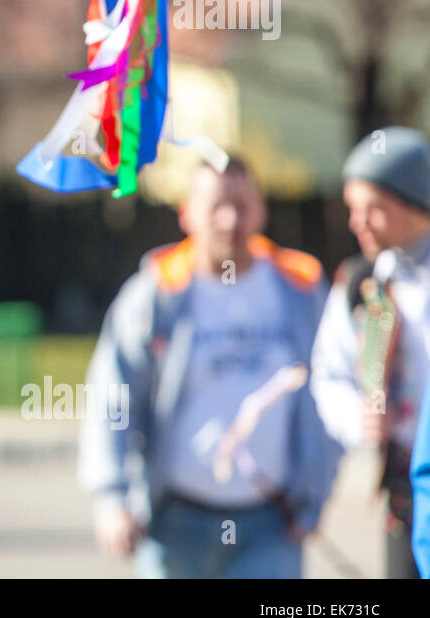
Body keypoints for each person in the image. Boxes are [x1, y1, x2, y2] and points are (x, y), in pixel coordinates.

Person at [79, 157, 339, 578]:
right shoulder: (157, 292)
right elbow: (113, 397)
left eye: (241, 204)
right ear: (186, 213)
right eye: (217, 205)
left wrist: (316, 494)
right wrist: (112, 497)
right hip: (175, 525)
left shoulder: (300, 287)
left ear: (261, 210)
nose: (230, 219)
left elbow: (330, 392)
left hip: (272, 524)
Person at [313, 126, 430, 578]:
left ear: (415, 201)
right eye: (352, 208)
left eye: (373, 209)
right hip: (404, 488)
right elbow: (329, 372)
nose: (356, 222)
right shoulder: (365, 286)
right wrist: (356, 416)